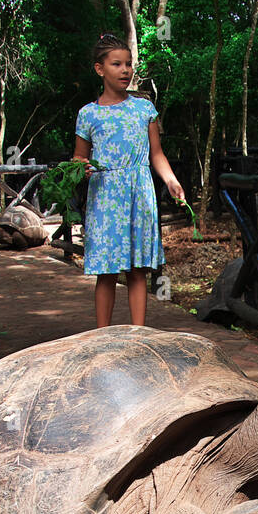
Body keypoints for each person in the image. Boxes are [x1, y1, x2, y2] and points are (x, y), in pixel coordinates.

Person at [72, 33, 184, 327]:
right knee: (106, 271)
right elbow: (78, 158)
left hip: (139, 191)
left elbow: (156, 154)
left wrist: (171, 180)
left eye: (129, 64)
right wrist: (79, 169)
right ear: (100, 69)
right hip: (104, 195)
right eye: (117, 64)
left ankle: (138, 335)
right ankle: (102, 336)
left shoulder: (144, 108)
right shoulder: (88, 114)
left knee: (138, 269)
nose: (125, 70)